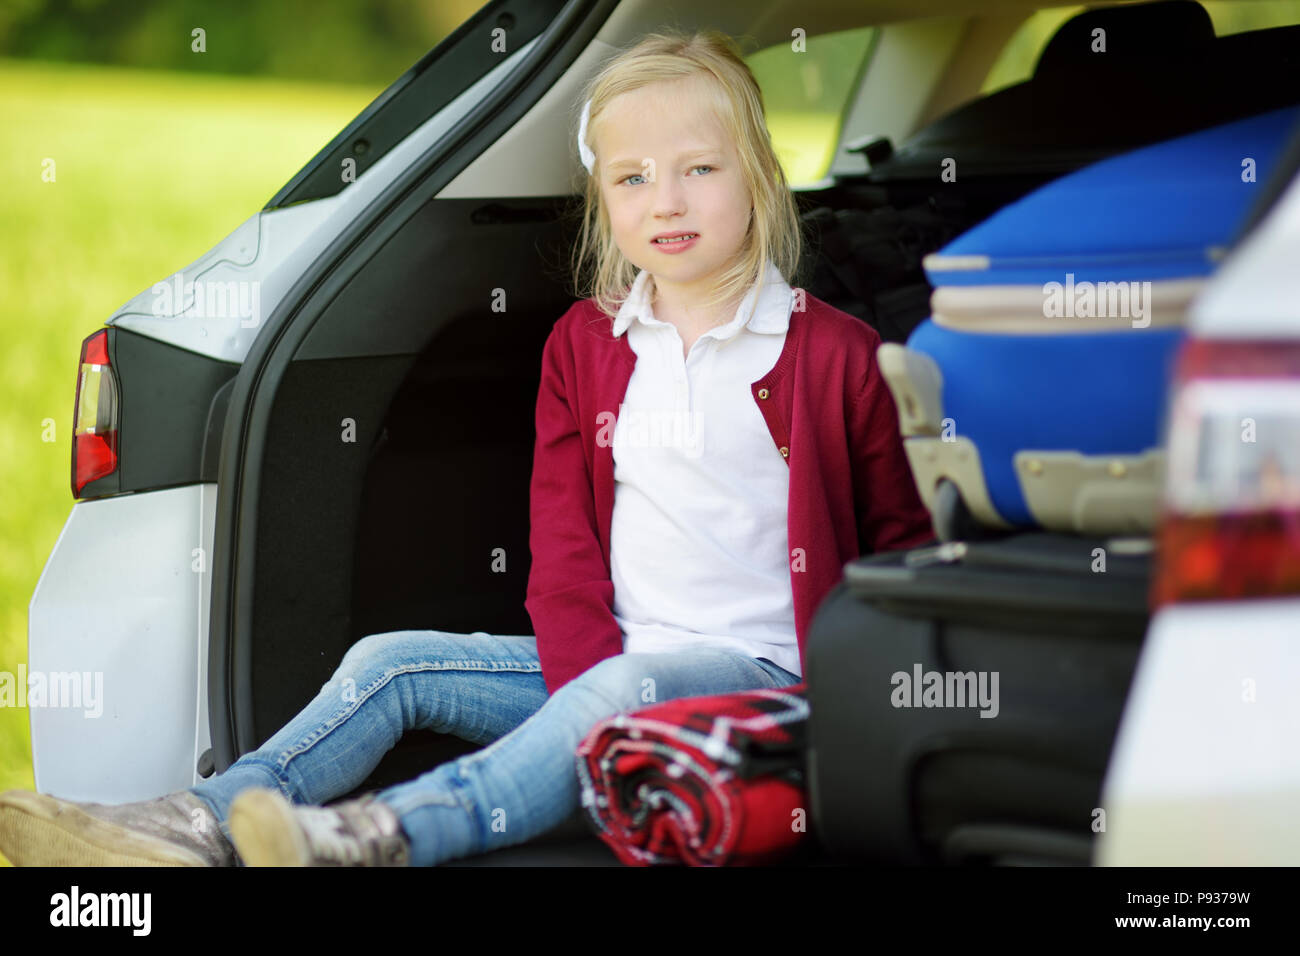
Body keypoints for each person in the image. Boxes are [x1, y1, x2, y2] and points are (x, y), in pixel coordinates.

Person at [0, 28, 934, 867]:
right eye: (633, 177)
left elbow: (899, 548)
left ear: (760, 172)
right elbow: (562, 552)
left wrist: (861, 701)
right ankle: (191, 827)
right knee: (390, 663)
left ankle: (369, 839)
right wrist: (587, 695)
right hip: (611, 659)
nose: (667, 200)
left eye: (701, 168)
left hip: (764, 674)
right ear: (604, 198)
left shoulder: (836, 355)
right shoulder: (584, 343)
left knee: (626, 686)